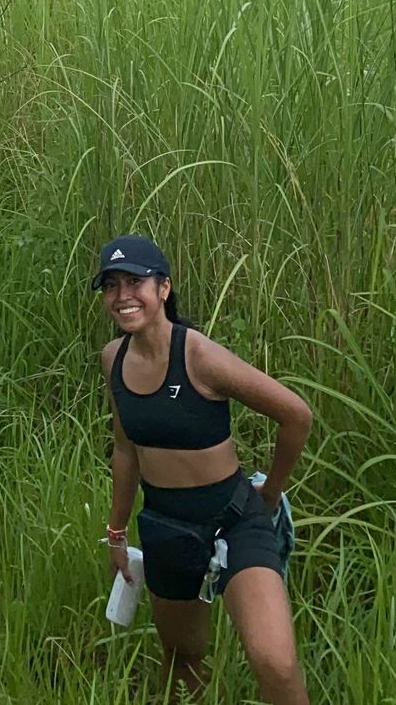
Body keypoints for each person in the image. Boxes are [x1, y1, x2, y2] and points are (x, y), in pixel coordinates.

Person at [96, 233, 311, 704]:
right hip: (165, 526)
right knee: (181, 657)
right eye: (111, 285)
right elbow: (126, 451)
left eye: (136, 281)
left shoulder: (196, 355)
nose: (123, 295)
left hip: (233, 520)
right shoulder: (113, 359)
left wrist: (270, 495)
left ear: (164, 289)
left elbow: (296, 415)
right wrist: (117, 534)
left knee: (275, 661)